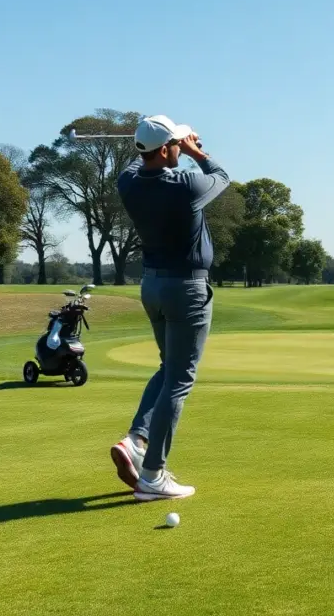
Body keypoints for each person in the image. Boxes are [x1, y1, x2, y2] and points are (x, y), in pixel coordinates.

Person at [110, 114, 230, 501]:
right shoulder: (187, 184)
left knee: (168, 369)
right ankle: (153, 475)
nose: (181, 147)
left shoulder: (128, 183)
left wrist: (158, 139)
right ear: (166, 150)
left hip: (152, 286)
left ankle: (135, 440)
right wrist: (197, 151)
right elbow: (222, 176)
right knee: (179, 379)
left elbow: (135, 161)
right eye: (176, 144)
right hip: (187, 289)